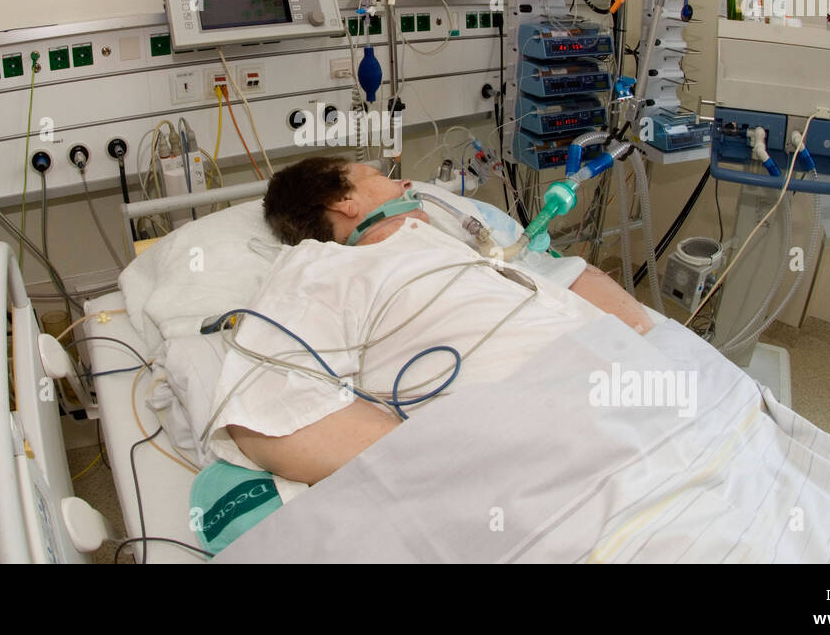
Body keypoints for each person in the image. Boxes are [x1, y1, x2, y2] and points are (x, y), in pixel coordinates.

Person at [211, 156, 658, 485]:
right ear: (345, 202)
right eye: (380, 177)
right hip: (558, 452)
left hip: (640, 405)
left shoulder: (457, 252)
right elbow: (269, 414)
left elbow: (575, 277)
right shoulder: (322, 268)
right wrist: (457, 468)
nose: (406, 182)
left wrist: (656, 353)